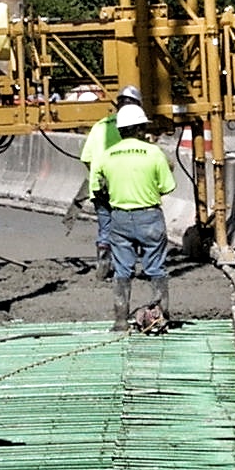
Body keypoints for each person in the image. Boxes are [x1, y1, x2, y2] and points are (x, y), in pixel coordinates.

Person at [93, 101, 176, 329]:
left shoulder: (107, 155)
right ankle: (160, 317)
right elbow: (167, 186)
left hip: (119, 218)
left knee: (122, 270)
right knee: (156, 267)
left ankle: (121, 319)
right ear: (141, 129)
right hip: (149, 216)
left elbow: (98, 189)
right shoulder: (154, 153)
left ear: (120, 130)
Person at [69, 85, 142, 263]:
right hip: (125, 187)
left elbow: (86, 158)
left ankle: (103, 256)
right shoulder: (133, 127)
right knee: (129, 226)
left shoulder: (100, 125)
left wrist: (98, 176)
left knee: (105, 226)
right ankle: (126, 263)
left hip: (99, 186)